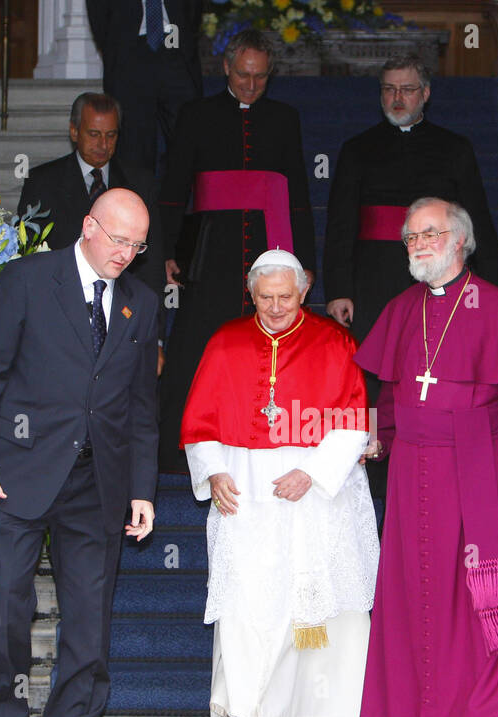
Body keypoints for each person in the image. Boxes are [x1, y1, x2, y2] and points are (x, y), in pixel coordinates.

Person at [0, 188, 160, 717]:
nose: (126, 254)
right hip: (18, 475)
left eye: (137, 245)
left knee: (88, 619)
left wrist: (142, 488)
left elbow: (141, 405)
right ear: (89, 225)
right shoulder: (27, 279)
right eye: (118, 240)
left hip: (99, 483)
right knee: (5, 607)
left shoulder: (142, 305)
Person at [355, 198, 498, 717]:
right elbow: (392, 391)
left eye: (431, 233)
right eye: (410, 237)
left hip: (484, 467)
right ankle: (435, 715)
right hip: (414, 473)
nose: (419, 243)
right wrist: (377, 434)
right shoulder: (401, 309)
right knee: (421, 593)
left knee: (491, 592)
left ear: (461, 240)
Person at [181, 250, 378, 717]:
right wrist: (215, 470)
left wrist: (312, 471)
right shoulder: (226, 342)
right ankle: (252, 712)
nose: (273, 309)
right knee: (250, 601)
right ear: (252, 293)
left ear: (304, 291)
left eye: (284, 298)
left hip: (315, 490)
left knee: (313, 601)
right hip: (246, 487)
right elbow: (200, 423)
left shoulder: (334, 342)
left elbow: (355, 421)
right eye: (264, 298)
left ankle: (308, 708)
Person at [157, 29, 316, 472]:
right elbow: (174, 188)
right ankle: (183, 446)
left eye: (260, 78)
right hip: (212, 249)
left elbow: (298, 192)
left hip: (270, 243)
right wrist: (170, 249)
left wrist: (305, 261)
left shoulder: (285, 118)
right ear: (226, 67)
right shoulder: (195, 114)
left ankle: (263, 440)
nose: (250, 85)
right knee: (198, 343)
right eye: (243, 75)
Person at [324, 54, 498, 344]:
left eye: (407, 89)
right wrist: (338, 290)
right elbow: (340, 227)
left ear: (425, 93)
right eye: (389, 89)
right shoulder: (356, 149)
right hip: (373, 278)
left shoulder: (455, 148)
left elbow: (478, 222)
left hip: (437, 272)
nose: (397, 97)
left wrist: (492, 289)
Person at [16, 92, 165, 299]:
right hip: (59, 301)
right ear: (74, 131)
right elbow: (28, 257)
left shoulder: (140, 183)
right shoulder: (43, 182)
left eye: (111, 135)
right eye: (94, 134)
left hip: (122, 305)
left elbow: (152, 263)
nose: (103, 144)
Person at [85, 0, 204, 177]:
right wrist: (116, 48)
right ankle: (137, 202)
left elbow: (193, 10)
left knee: (187, 140)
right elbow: (99, 13)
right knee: (133, 149)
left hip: (175, 47)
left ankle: (177, 201)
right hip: (129, 52)